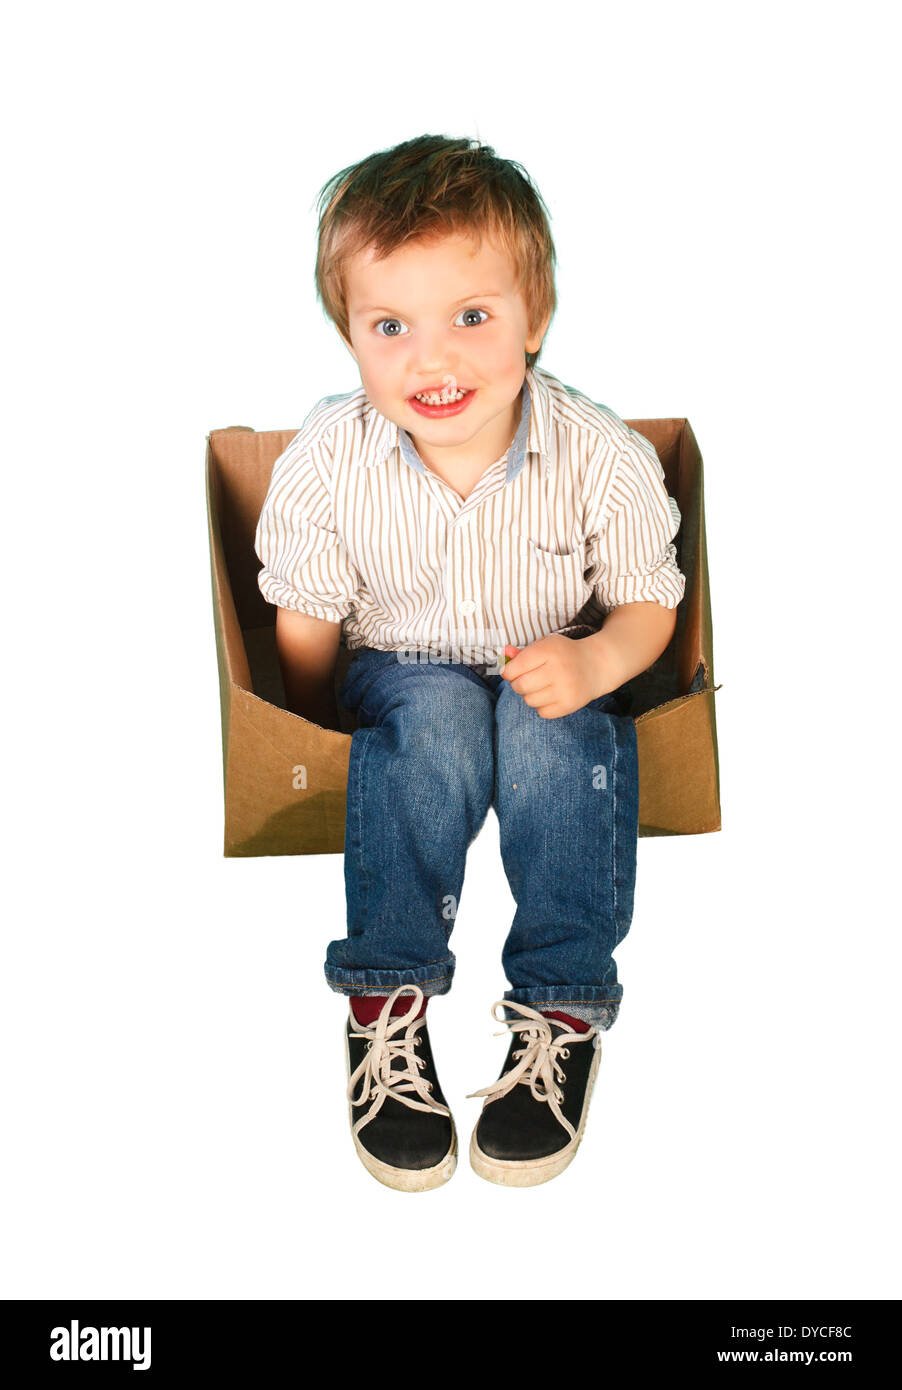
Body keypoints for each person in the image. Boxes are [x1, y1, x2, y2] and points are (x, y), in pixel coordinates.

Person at [254, 134, 685, 1191]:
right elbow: (305, 632)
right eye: (388, 326)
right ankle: (386, 1001)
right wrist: (308, 738)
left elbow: (646, 604)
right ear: (348, 335)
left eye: (472, 318)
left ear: (534, 321)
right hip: (398, 669)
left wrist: (596, 665)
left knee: (558, 732)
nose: (430, 361)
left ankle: (558, 1009)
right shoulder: (325, 462)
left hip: (554, 664)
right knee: (438, 719)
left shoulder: (600, 455)